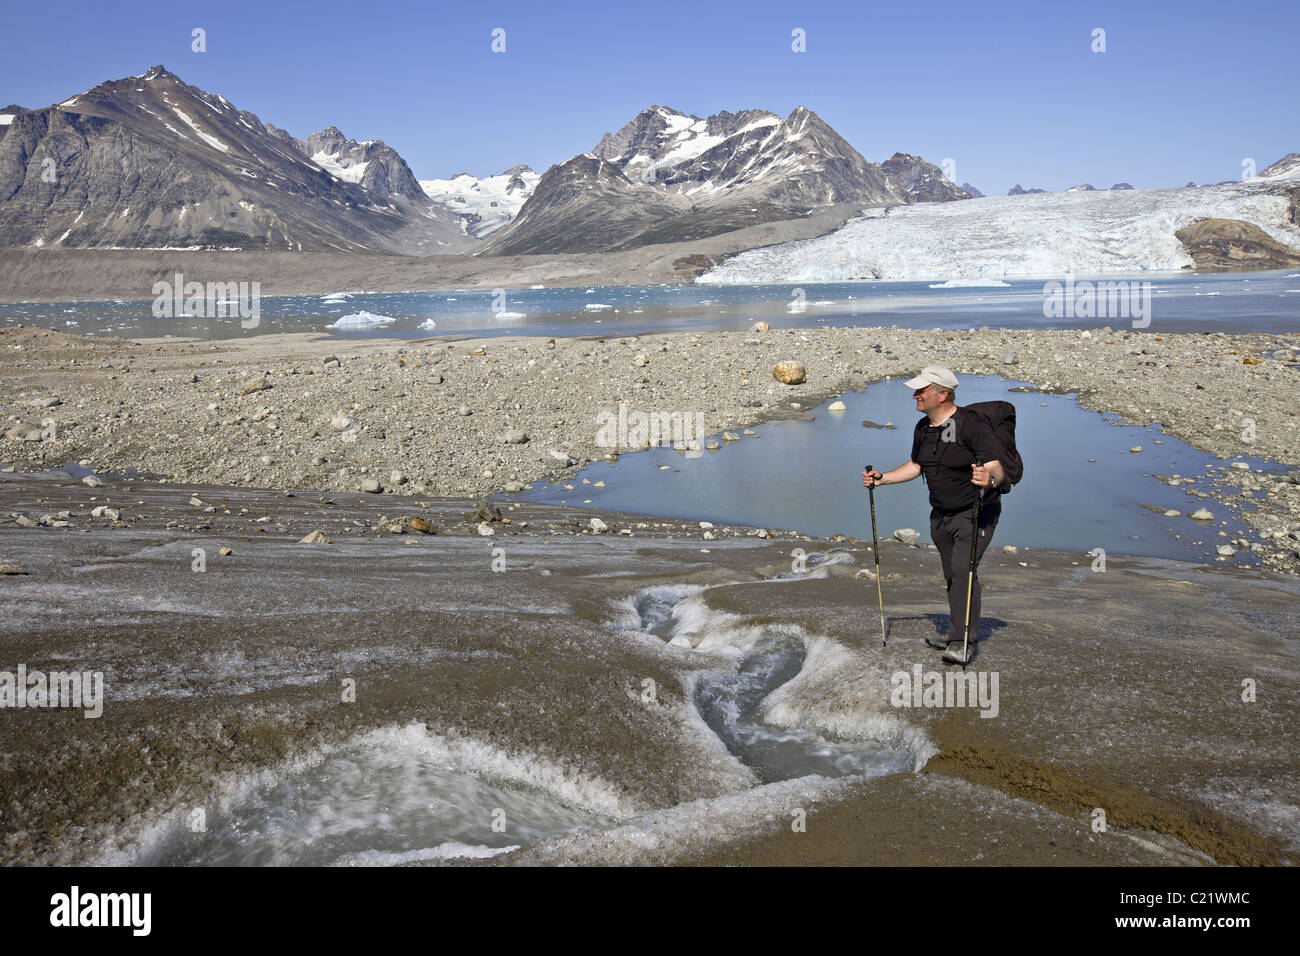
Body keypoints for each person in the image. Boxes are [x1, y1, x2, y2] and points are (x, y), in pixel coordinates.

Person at [862, 366, 1004, 664]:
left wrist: (988, 479)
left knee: (963, 573)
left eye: (922, 390)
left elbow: (996, 467)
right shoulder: (923, 428)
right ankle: (956, 631)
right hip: (940, 514)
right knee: (952, 573)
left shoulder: (971, 424)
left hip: (975, 512)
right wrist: (883, 478)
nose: (915, 395)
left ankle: (962, 641)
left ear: (943, 394)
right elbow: (916, 465)